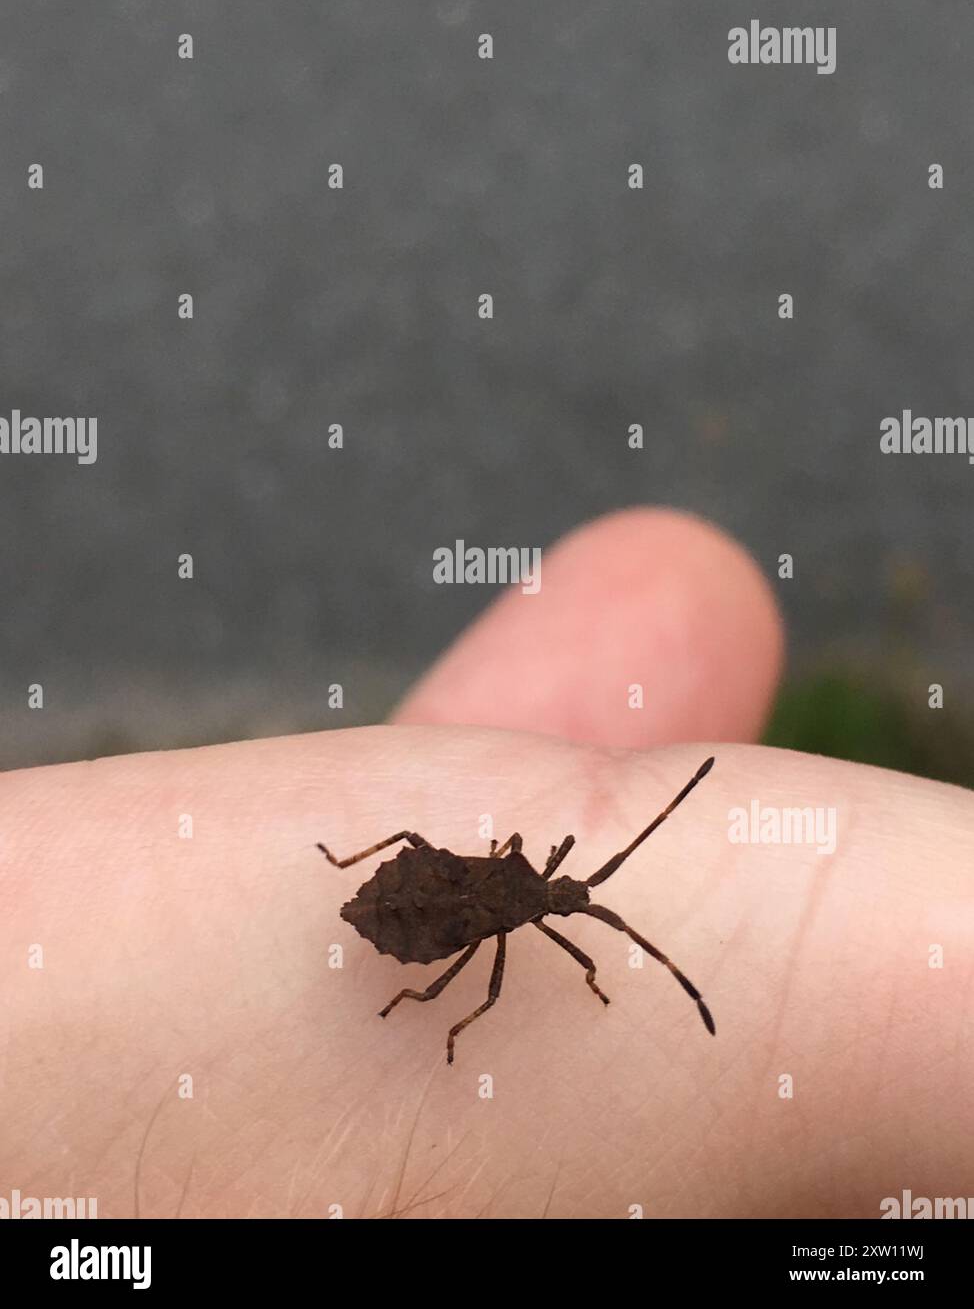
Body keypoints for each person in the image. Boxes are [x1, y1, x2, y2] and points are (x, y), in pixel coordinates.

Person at [2, 508, 971, 1219]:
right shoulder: (530, 908)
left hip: (432, 903)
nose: (581, 897)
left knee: (449, 911)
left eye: (577, 896)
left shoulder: (529, 882)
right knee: (472, 976)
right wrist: (454, 1005)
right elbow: (522, 974)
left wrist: (464, 967)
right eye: (578, 895)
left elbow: (529, 902)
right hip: (429, 910)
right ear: (553, 887)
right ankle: (385, 934)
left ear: (549, 883)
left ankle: (378, 915)